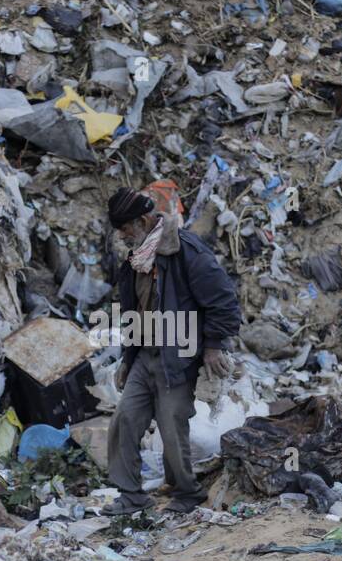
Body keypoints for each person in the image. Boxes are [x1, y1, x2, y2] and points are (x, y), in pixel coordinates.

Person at [103, 186, 242, 515]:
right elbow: (134, 310)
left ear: (141, 220)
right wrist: (127, 358)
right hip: (145, 354)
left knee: (171, 424)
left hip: (177, 356)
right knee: (125, 419)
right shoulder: (137, 259)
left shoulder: (186, 251)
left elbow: (224, 301)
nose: (121, 236)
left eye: (124, 228)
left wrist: (212, 346)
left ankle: (186, 492)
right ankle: (130, 495)